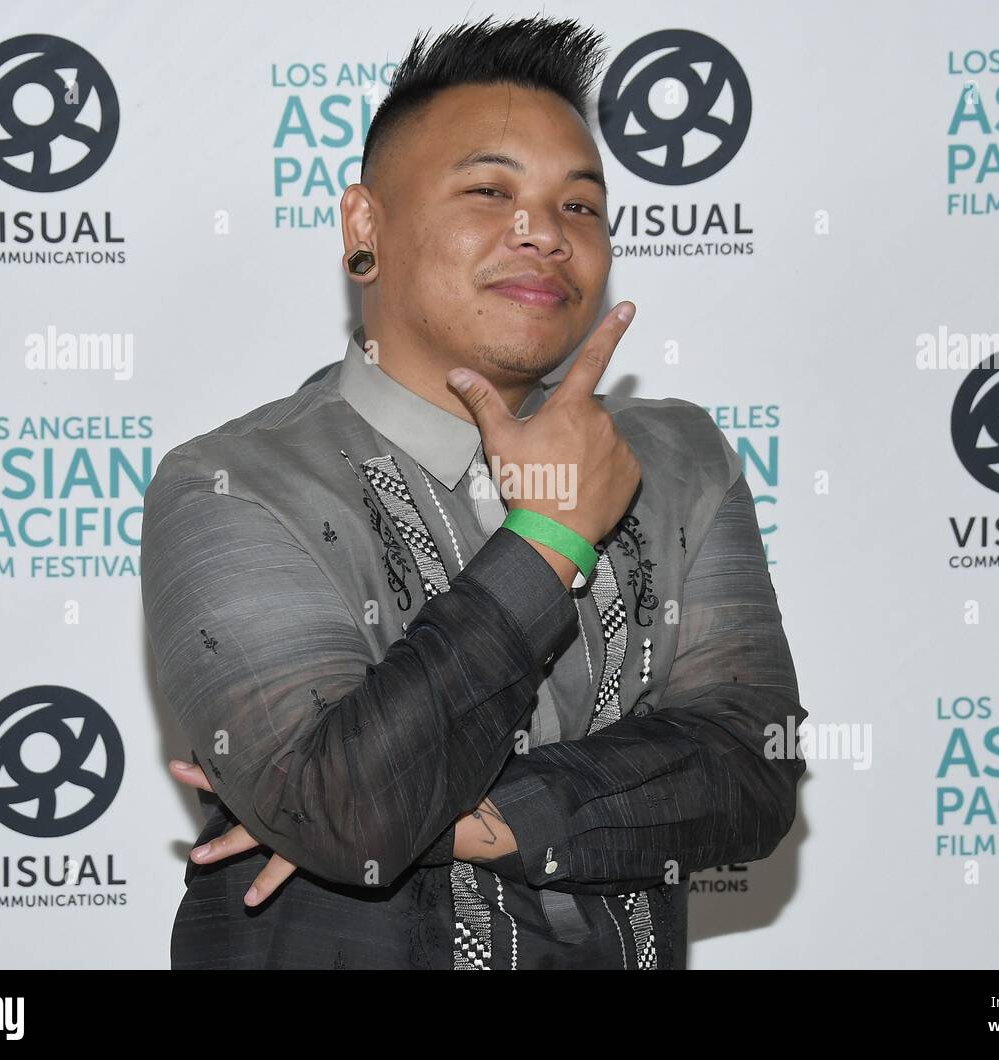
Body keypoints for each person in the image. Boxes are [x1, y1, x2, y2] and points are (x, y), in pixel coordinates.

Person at [142, 14, 807, 970]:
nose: (541, 234)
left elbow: (750, 770)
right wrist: (551, 535)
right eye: (490, 191)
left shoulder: (679, 456)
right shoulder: (232, 483)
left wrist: (457, 820)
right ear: (365, 226)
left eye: (580, 207)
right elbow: (348, 809)